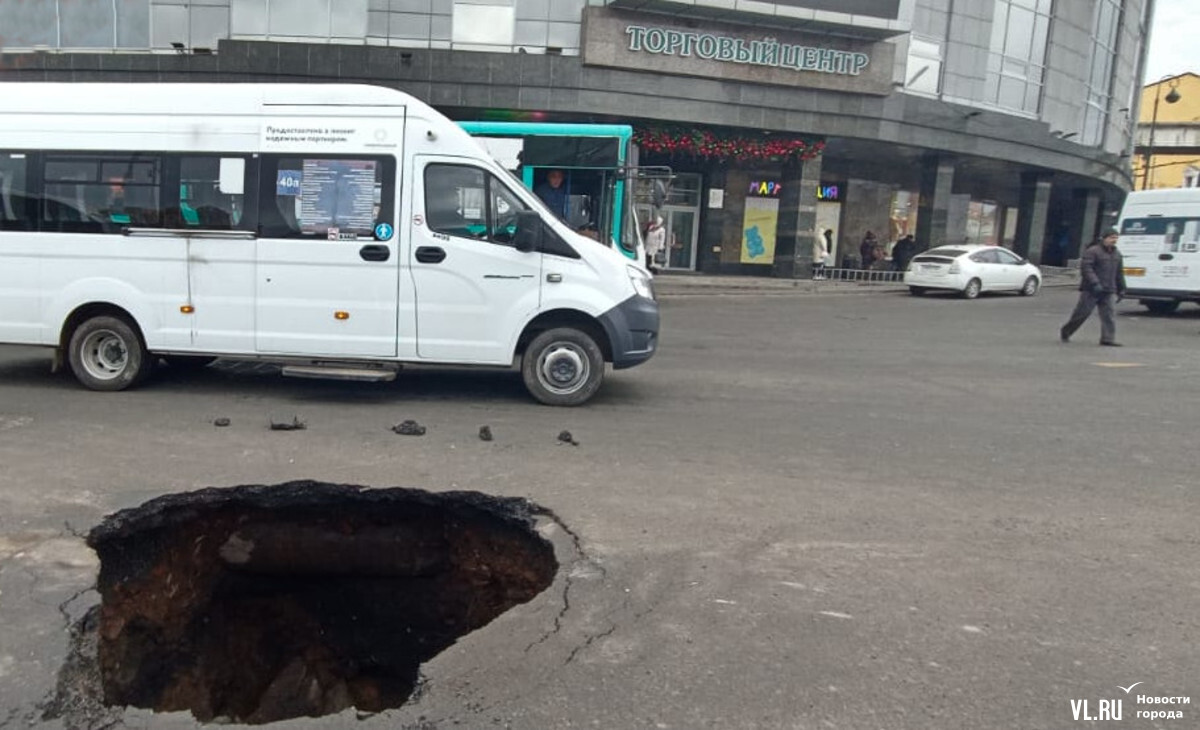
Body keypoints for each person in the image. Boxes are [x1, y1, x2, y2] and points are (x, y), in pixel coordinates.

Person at [1060, 227, 1127, 346]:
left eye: (1116, 238)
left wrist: (1122, 288)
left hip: (1108, 289)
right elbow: (1087, 269)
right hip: (1091, 290)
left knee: (1109, 315)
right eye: (1112, 238)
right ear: (1104, 238)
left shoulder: (1117, 254)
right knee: (1082, 313)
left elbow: (1119, 272)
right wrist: (1095, 283)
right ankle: (1066, 331)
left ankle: (1108, 339)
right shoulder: (1093, 251)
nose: (1114, 240)